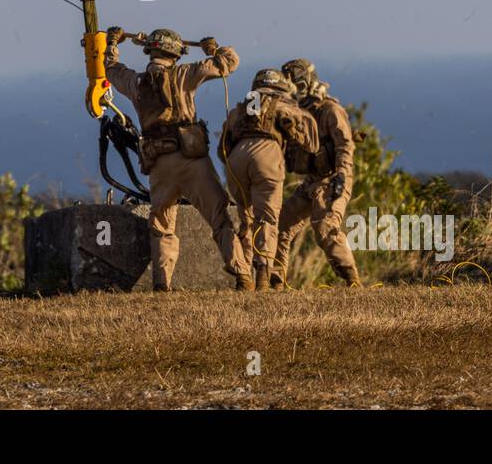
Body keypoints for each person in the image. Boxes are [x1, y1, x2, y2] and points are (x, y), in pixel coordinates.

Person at [104, 27, 252, 291]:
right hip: (192, 160)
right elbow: (230, 62)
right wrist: (212, 48)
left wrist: (113, 43)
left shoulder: (136, 83)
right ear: (175, 54)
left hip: (158, 165)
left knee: (161, 224)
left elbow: (110, 68)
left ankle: (162, 284)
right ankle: (242, 275)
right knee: (219, 217)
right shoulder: (185, 74)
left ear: (151, 51)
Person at [219, 69, 319, 290]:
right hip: (267, 154)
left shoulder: (240, 108)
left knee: (246, 218)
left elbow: (222, 148)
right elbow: (312, 143)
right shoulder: (282, 103)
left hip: (235, 160)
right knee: (267, 218)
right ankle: (263, 275)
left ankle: (243, 275)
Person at [273, 58, 362, 287]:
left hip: (332, 179)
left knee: (325, 227)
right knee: (280, 226)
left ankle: (352, 280)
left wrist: (342, 175)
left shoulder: (330, 110)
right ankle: (275, 279)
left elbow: (345, 146)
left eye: (298, 84)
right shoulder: (297, 112)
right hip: (310, 183)